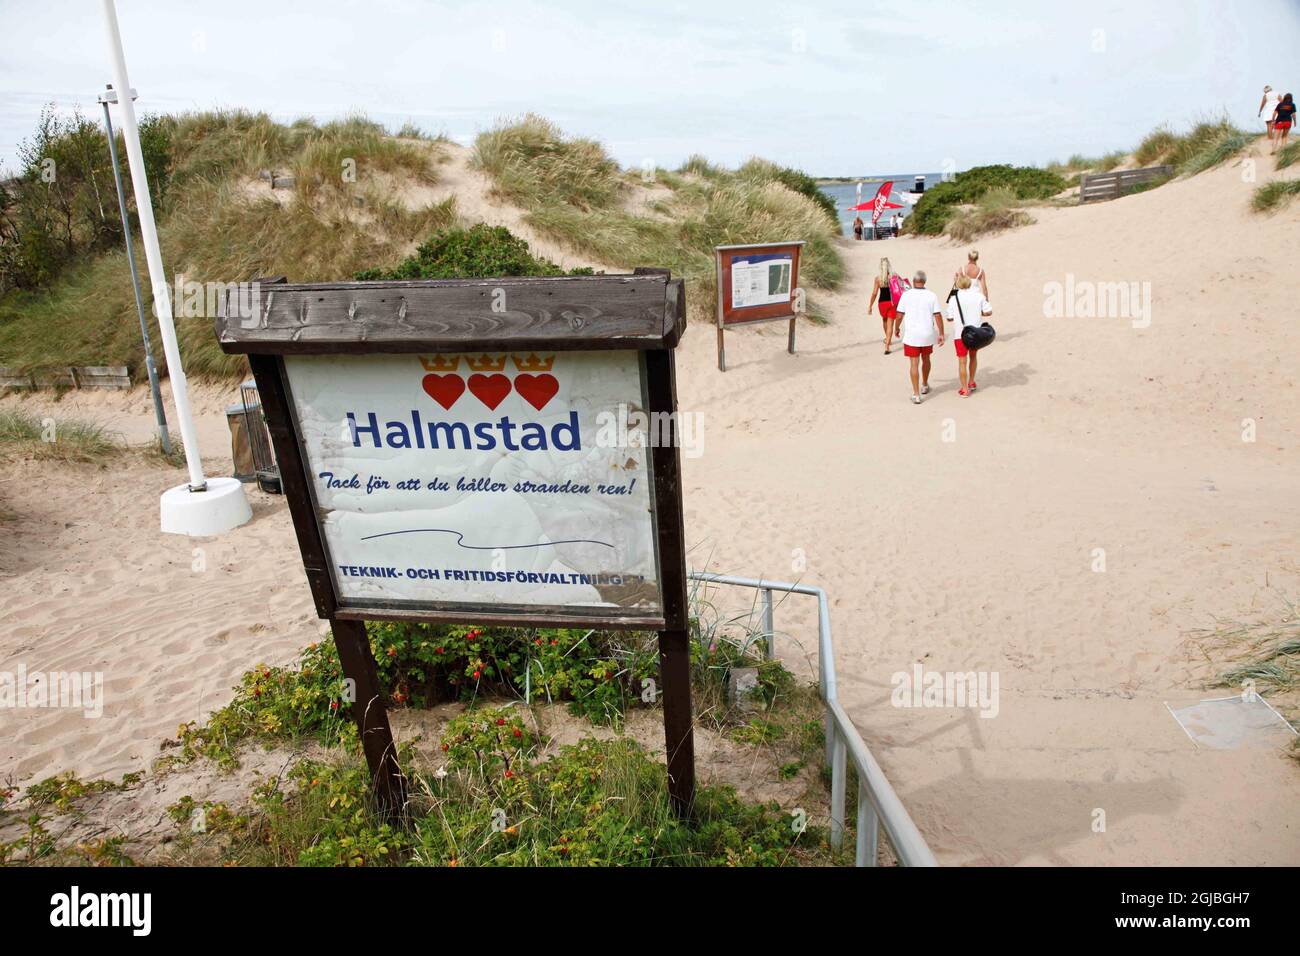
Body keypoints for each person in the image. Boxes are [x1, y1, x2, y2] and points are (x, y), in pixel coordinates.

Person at [895, 270, 944, 404]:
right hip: (927, 333)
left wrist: (897, 328)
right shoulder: (932, 295)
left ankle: (916, 394)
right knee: (926, 359)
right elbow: (938, 315)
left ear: (913, 281)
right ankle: (925, 384)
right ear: (924, 281)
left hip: (912, 334)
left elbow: (899, 315)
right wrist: (941, 333)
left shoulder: (906, 295)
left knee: (914, 363)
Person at [947, 274, 993, 397]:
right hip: (975, 333)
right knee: (973, 357)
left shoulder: (953, 298)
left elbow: (949, 318)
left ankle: (964, 389)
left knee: (962, 362)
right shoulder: (979, 296)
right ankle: (971, 382)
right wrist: (979, 312)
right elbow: (989, 311)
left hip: (960, 334)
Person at [867, 257, 900, 353]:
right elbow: (899, 290)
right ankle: (887, 346)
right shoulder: (894, 276)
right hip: (892, 302)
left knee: (885, 321)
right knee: (890, 324)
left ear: (880, 267)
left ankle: (887, 340)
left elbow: (874, 293)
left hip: (882, 303)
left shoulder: (878, 279)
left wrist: (870, 305)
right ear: (889, 266)